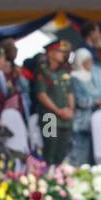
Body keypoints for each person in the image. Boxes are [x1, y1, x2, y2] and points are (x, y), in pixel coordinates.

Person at [32, 38, 74, 166]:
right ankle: (46, 178)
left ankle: (59, 177)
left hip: (65, 118)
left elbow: (70, 93)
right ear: (50, 53)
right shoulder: (42, 70)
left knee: (62, 150)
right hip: (48, 116)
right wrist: (58, 110)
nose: (63, 54)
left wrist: (70, 110)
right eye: (59, 51)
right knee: (49, 148)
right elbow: (41, 94)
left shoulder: (64, 72)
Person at [68, 47, 97, 165]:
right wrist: (96, 102)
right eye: (88, 60)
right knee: (79, 154)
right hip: (80, 121)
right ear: (81, 61)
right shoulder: (74, 77)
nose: (91, 63)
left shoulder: (92, 77)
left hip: (93, 122)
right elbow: (79, 101)